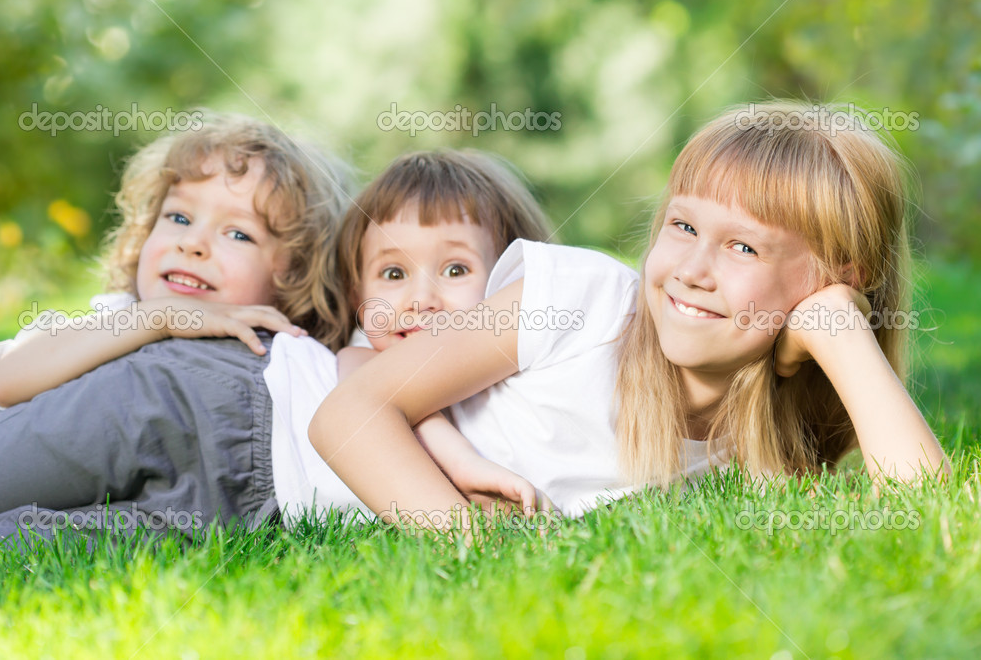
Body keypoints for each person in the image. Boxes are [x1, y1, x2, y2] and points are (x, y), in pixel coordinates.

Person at [310, 101, 951, 530]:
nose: (692, 269)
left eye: (743, 246)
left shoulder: (773, 432)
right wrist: (468, 542)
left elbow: (927, 517)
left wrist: (839, 331)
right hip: (256, 412)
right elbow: (349, 410)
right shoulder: (579, 302)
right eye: (683, 225)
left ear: (840, 273)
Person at [0, 112, 352, 554]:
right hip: (207, 493)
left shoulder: (273, 354)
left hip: (214, 451)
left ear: (296, 278)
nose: (193, 243)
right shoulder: (126, 316)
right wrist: (158, 318)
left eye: (238, 233)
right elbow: (5, 380)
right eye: (179, 218)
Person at [262, 149, 556, 524]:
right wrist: (460, 460)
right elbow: (364, 385)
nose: (421, 300)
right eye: (394, 274)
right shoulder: (363, 357)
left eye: (455, 269)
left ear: (510, 282)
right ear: (358, 295)